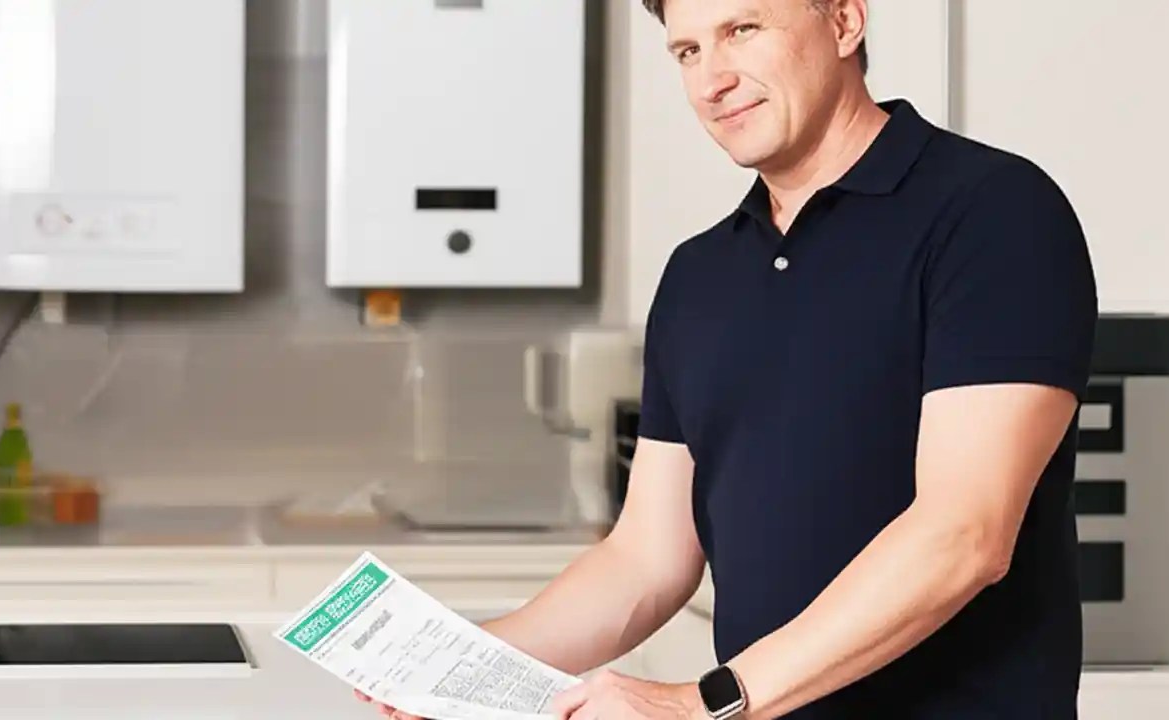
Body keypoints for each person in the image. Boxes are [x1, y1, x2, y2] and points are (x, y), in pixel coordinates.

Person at [356, 0, 1097, 717]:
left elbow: (963, 536)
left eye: (741, 29)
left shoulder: (993, 214)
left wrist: (704, 703)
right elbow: (647, 558)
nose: (711, 80)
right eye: (688, 50)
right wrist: (468, 669)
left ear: (843, 20)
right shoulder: (699, 276)